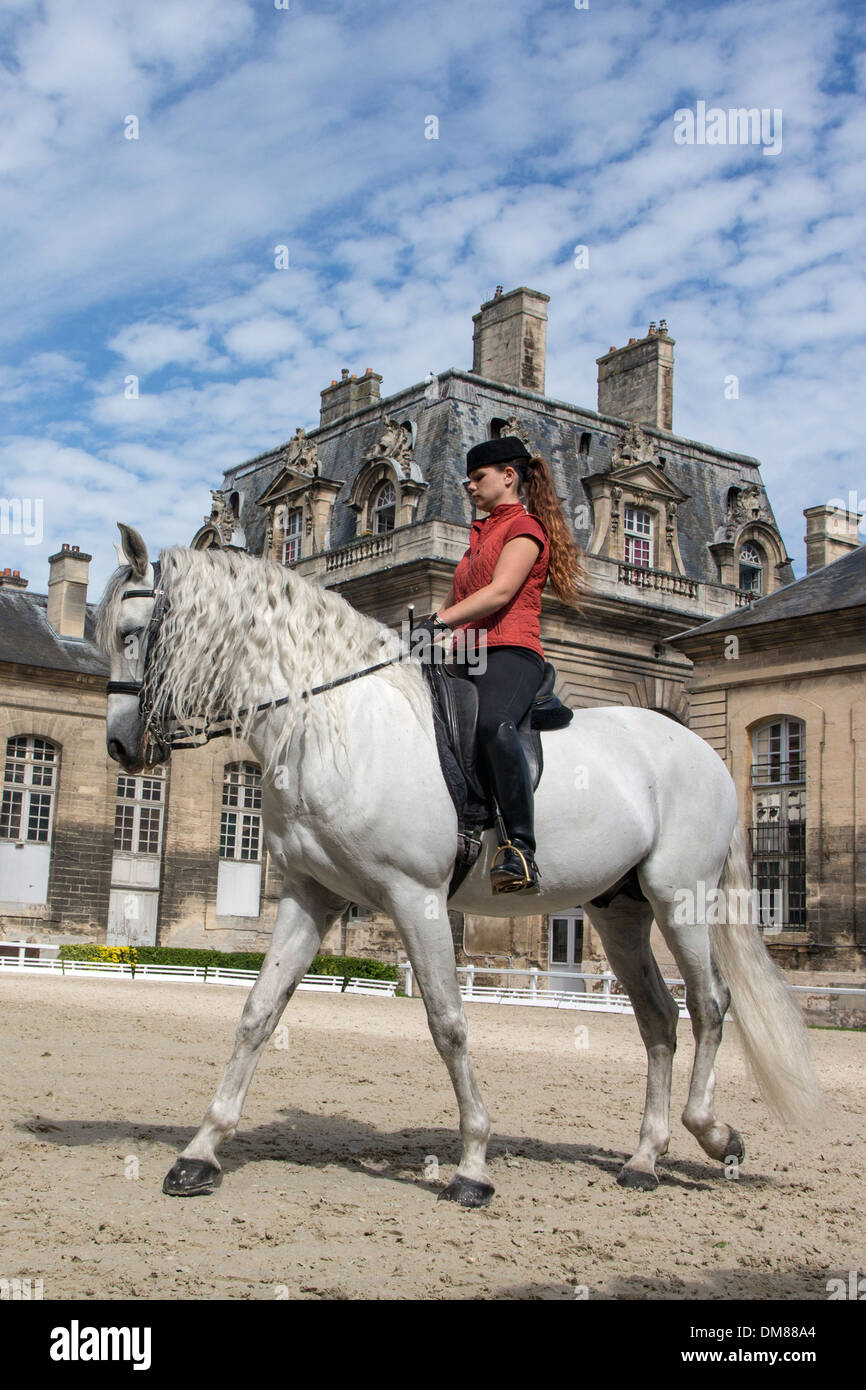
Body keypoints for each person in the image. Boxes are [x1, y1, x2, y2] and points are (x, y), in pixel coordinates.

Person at [424, 437, 584, 893]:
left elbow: (497, 594)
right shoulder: (477, 540)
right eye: (469, 480)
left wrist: (439, 621)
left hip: (513, 652)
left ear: (508, 476)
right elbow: (454, 602)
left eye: (478, 478)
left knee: (493, 723)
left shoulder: (527, 529)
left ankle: (519, 849)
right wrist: (420, 640)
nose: (470, 487)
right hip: (469, 654)